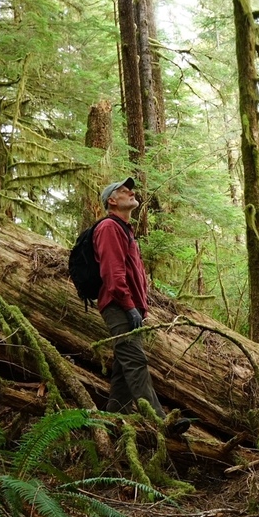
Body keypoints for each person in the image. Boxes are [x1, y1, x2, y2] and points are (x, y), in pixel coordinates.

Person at [95, 178, 163, 415]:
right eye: (124, 191)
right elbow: (113, 274)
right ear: (112, 201)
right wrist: (129, 306)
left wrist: (141, 308)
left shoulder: (124, 229)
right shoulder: (109, 228)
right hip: (118, 306)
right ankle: (159, 421)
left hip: (128, 307)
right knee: (135, 362)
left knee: (124, 369)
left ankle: (116, 418)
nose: (131, 192)